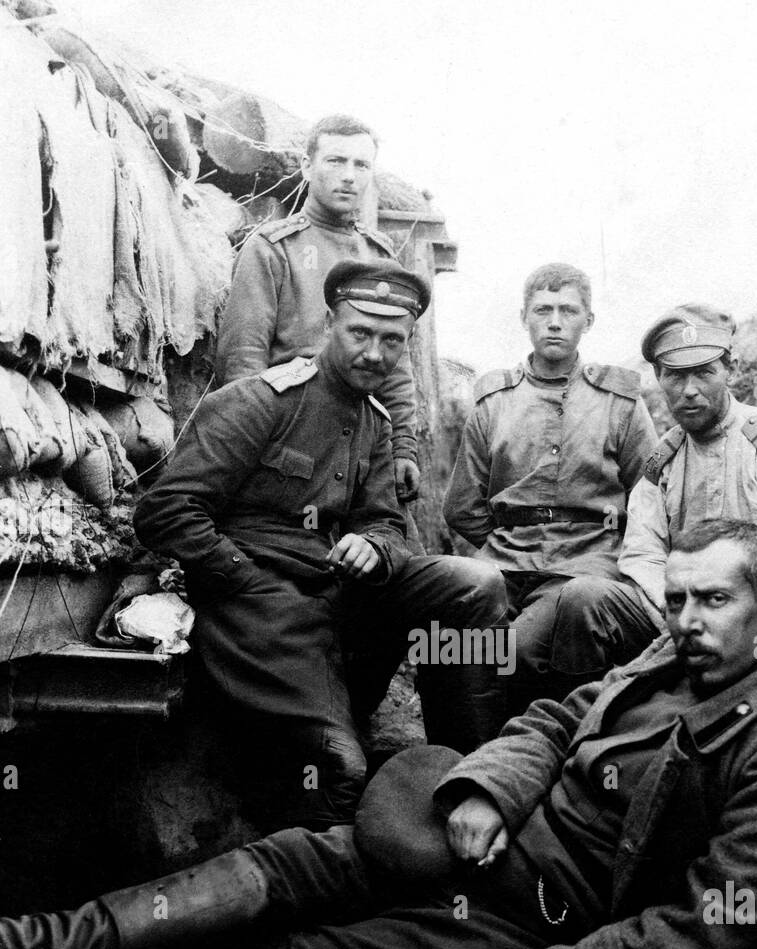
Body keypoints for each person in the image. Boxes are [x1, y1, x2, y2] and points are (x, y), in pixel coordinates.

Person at [0, 522, 757, 949]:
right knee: (284, 864)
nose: (684, 620)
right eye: (676, 599)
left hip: (527, 922)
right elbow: (557, 718)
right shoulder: (668, 655)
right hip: (459, 838)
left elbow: (707, 926)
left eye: (711, 601)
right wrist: (490, 786)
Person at [134, 260, 507, 832]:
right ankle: (314, 879)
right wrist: (241, 575)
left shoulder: (375, 423)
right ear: (329, 322)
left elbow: (388, 524)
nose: (375, 354)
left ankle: (466, 776)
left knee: (474, 586)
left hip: (334, 594)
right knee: (340, 767)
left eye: (392, 341)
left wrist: (374, 547)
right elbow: (165, 511)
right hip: (258, 608)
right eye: (360, 333)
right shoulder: (262, 401)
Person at [444, 263, 659, 712]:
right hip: (503, 563)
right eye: (543, 310)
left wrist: (613, 551)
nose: (555, 321)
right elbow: (462, 506)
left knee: (513, 652)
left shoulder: (619, 401)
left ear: (589, 321)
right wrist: (510, 541)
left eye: (569, 310)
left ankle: (557, 741)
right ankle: (471, 762)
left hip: (587, 563)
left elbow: (651, 498)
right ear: (524, 317)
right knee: (448, 650)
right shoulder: (493, 401)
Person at [214, 113, 421, 506]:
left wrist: (403, 448)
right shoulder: (274, 247)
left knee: (389, 554)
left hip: (365, 438)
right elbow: (243, 358)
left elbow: (397, 366)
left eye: (361, 165)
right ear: (308, 166)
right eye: (335, 161)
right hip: (291, 430)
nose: (349, 175)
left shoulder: (380, 257)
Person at [616, 304, 757, 648]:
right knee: (585, 602)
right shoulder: (665, 458)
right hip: (677, 625)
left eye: (704, 372)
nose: (690, 389)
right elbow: (642, 553)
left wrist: (754, 602)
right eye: (676, 375)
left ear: (731, 369)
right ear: (658, 376)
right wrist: (677, 611)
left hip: (754, 628)